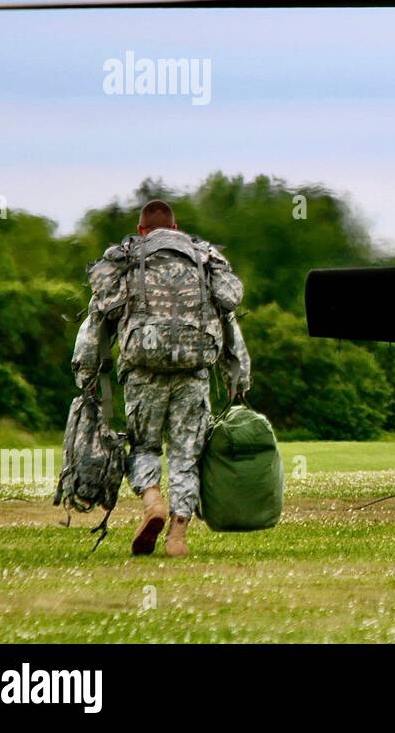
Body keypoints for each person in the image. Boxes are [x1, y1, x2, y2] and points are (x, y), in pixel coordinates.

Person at [71, 199, 250, 557]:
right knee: (187, 455)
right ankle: (177, 537)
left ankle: (153, 500)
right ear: (176, 228)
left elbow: (98, 320)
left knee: (144, 447)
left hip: (143, 372)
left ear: (142, 230)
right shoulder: (202, 260)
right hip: (193, 371)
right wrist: (239, 374)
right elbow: (227, 317)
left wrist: (86, 373)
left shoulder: (127, 260)